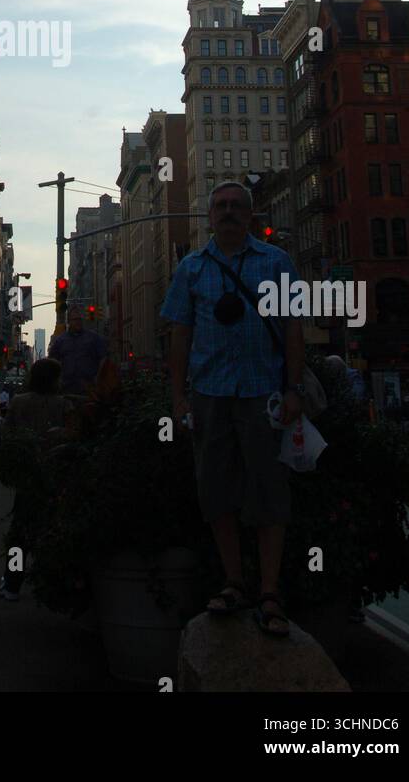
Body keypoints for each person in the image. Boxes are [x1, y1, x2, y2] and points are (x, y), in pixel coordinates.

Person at [161, 181, 306, 639]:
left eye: (236, 206)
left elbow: (293, 329)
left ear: (250, 214)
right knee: (216, 490)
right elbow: (179, 335)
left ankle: (269, 592)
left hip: (263, 392)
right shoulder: (190, 268)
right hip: (210, 394)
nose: (227, 212)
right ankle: (234, 582)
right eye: (220, 205)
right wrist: (179, 397)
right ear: (210, 215)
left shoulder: (276, 262)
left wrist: (295, 389)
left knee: (268, 490)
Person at [0, 358, 69, 601]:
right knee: (53, 530)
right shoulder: (63, 405)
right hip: (54, 476)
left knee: (19, 534)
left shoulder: (18, 403)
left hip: (28, 477)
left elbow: (7, 435)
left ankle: (12, 584)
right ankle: (51, 582)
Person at [48, 313, 107, 396]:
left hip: (89, 388)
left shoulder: (93, 338)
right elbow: (52, 360)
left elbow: (103, 358)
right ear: (69, 322)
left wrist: (98, 377)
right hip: (67, 388)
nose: (78, 322)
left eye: (80, 319)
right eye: (75, 319)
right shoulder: (60, 340)